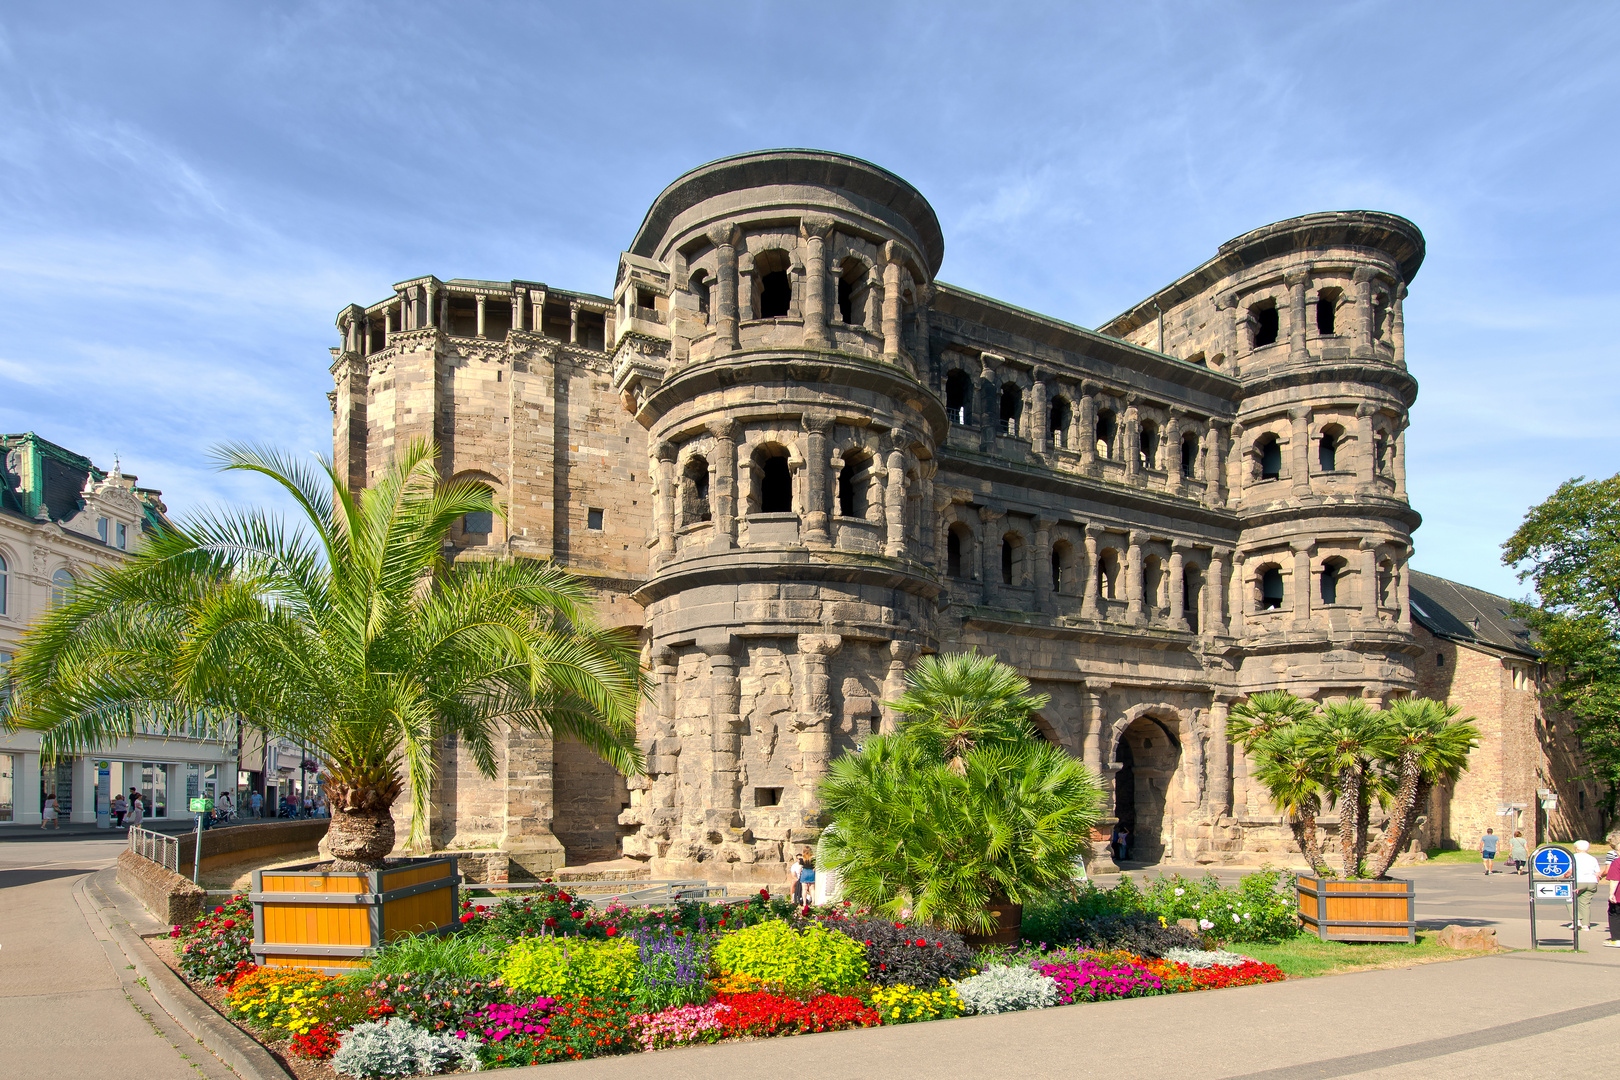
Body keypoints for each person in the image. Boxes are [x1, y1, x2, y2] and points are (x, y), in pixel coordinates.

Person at [1570, 840, 1602, 931]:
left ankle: (1577, 919)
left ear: (1576, 849)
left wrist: (1564, 877)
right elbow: (1597, 873)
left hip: (1579, 881)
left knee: (1569, 898)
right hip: (1591, 881)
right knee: (1585, 903)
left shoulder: (1573, 857)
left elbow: (1569, 871)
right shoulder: (1592, 858)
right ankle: (1586, 925)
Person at [1604, 852, 1620, 947]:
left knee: (1615, 914)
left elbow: (1615, 879)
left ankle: (1617, 939)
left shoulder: (1617, 862)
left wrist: (1611, 894)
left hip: (1619, 896)